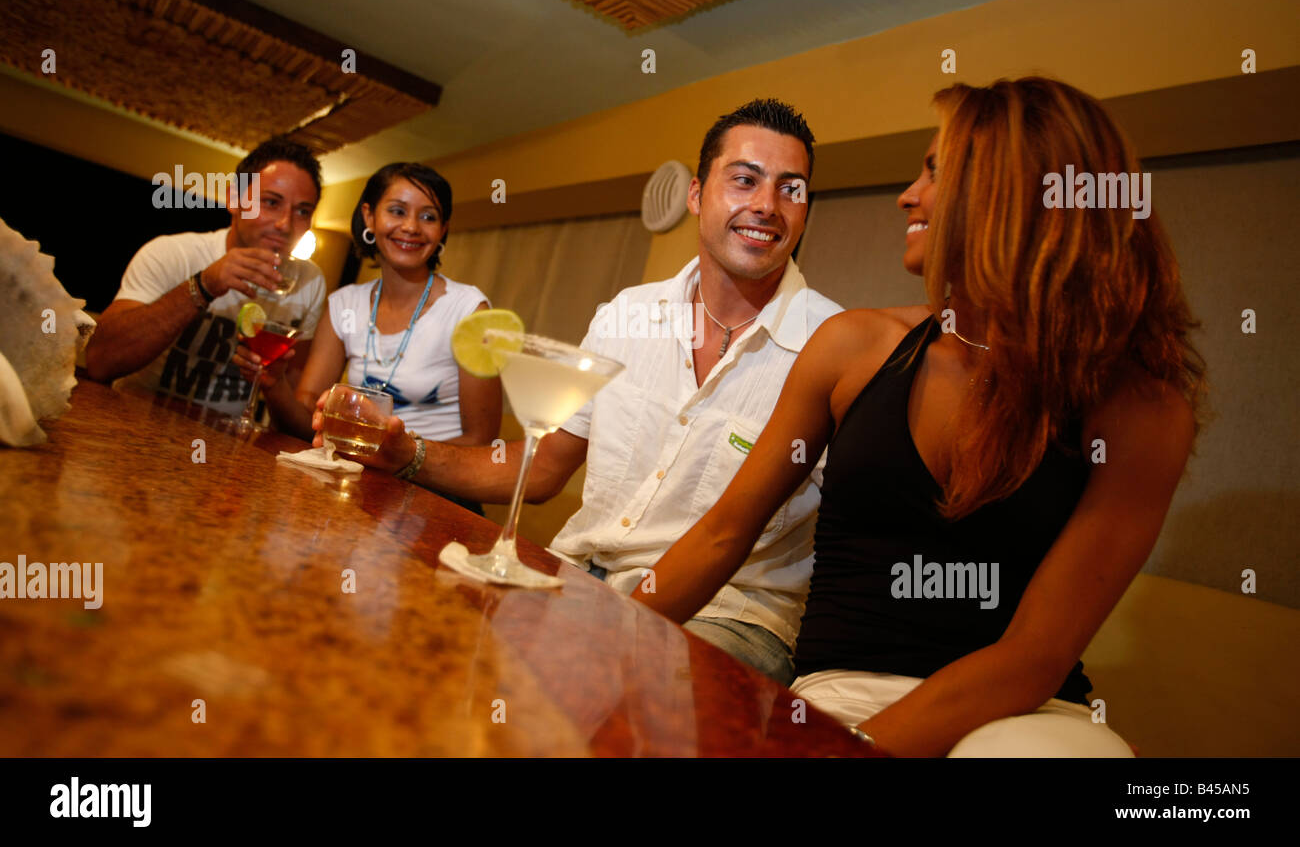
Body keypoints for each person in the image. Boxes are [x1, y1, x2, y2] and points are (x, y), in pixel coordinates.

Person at [631, 77, 1206, 757]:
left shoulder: (1142, 411)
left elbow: (1031, 658)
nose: (908, 194)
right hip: (844, 691)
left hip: (1023, 712)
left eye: (936, 170)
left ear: (1013, 193)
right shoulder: (851, 348)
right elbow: (723, 535)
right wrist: (602, 638)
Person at [313, 99, 849, 684]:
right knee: (426, 644)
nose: (767, 206)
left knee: (633, 698)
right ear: (697, 195)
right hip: (579, 577)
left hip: (729, 616)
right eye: (744, 179)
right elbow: (542, 469)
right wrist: (407, 454)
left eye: (791, 189)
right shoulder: (627, 314)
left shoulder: (831, 344)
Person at [248, 163, 501, 511]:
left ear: (443, 230)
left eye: (428, 217)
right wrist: (273, 385)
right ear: (369, 216)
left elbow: (481, 441)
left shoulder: (469, 309)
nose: (411, 227)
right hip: (358, 480)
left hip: (436, 494)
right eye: (397, 211)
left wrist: (399, 455)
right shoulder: (344, 304)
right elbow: (309, 419)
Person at [86, 137, 326, 418]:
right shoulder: (173, 253)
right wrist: (204, 285)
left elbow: (297, 411)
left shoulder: (308, 282)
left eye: (302, 211)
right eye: (271, 202)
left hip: (224, 448)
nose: (285, 224)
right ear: (234, 199)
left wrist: (273, 386)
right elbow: (99, 361)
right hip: (132, 424)